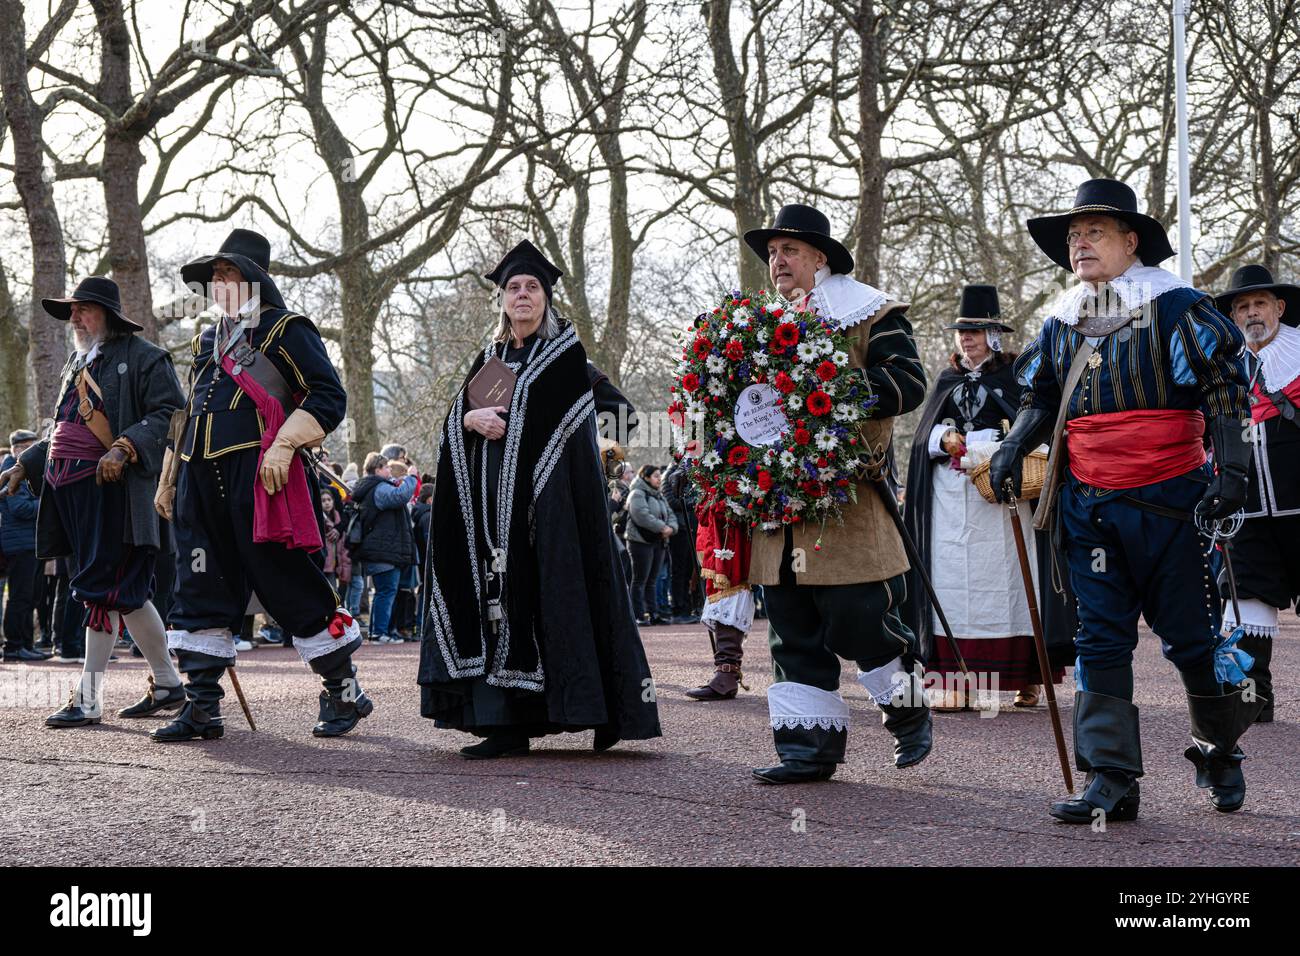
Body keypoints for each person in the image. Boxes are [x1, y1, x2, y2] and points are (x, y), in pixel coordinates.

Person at [990, 178, 1259, 821]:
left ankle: (1219, 749)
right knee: (1100, 640)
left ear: (1131, 242)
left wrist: (1234, 474)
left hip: (1174, 502)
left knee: (1192, 641)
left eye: (1095, 233)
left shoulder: (1177, 308)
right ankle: (1111, 777)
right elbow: (1041, 399)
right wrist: (1010, 448)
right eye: (1074, 236)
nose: (1079, 245)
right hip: (1090, 504)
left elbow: (1225, 391)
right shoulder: (1062, 320)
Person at [419, 239, 660, 757]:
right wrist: (466, 418)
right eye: (513, 288)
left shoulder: (569, 361)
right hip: (488, 517)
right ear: (502, 300)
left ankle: (600, 709)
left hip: (551, 517)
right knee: (499, 607)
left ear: (547, 298)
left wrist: (593, 444)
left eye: (532, 287)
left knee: (566, 597)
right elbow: (457, 423)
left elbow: (624, 416)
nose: (522, 295)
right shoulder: (491, 359)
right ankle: (504, 724)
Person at [153, 228, 370, 741]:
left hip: (260, 477)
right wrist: (169, 477)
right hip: (199, 477)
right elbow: (188, 413)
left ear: (255, 280)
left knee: (287, 583)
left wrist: (283, 444)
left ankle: (344, 692)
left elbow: (327, 396)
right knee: (199, 584)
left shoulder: (287, 329)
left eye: (230, 274)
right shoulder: (207, 339)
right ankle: (203, 706)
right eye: (216, 276)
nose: (220, 283)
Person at [743, 203, 930, 784]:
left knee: (858, 617)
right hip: (776, 502)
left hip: (847, 494)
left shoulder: (872, 313)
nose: (778, 260)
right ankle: (807, 749)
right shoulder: (756, 327)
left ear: (821, 258)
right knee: (791, 627)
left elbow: (908, 385)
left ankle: (907, 707)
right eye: (772, 252)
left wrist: (825, 384)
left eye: (789, 250)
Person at [0, 277, 184, 725]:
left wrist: (125, 445)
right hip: (74, 497)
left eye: (83, 309)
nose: (75, 318)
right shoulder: (75, 365)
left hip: (118, 497)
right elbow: (60, 431)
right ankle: (168, 684)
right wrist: (27, 462)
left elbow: (172, 415)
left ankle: (88, 698)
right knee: (123, 593)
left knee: (104, 591)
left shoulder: (147, 358)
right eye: (72, 311)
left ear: (108, 314)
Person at [903, 285, 1071, 710]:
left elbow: (1033, 429)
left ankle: (1027, 676)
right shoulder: (945, 380)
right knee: (952, 585)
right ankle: (956, 680)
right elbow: (924, 436)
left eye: (976, 331)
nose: (968, 338)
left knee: (1012, 583)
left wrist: (988, 446)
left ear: (994, 334)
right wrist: (945, 437)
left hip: (1002, 499)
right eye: (963, 331)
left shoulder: (1016, 377)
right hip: (950, 504)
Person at [1213, 265, 1300, 723]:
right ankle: (1252, 704)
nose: (1251, 313)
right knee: (1246, 607)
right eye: (1242, 307)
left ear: (1279, 308)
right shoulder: (1222, 367)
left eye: (1259, 304)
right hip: (1245, 511)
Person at [685, 494, 753, 701]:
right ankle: (727, 672)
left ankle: (728, 672)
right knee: (727, 584)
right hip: (724, 510)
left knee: (733, 580)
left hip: (741, 505)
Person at [348, 451, 417, 644]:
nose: (389, 470)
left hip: (380, 549)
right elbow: (400, 496)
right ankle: (380, 632)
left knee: (384, 592)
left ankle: (379, 631)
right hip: (382, 550)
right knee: (386, 591)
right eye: (386, 467)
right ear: (377, 469)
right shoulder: (379, 488)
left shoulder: (371, 487)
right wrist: (412, 478)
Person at [1, 429, 49, 661]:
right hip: (19, 543)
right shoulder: (10, 470)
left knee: (29, 595)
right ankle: (14, 646)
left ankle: (25, 644)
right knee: (20, 596)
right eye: (30, 447)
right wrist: (46, 500)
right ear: (18, 448)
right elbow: (19, 508)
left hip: (27, 541)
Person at [625, 464, 677, 626]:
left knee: (652, 580)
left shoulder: (659, 495)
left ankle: (654, 614)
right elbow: (641, 515)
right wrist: (662, 527)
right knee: (639, 580)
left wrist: (671, 528)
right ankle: (639, 615)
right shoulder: (637, 493)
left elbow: (670, 515)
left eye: (659, 475)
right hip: (640, 542)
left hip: (659, 541)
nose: (659, 478)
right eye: (655, 476)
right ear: (646, 477)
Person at [661, 454, 701, 624]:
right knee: (679, 572)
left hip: (691, 528)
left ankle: (690, 606)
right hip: (680, 530)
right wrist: (696, 501)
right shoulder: (669, 475)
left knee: (691, 572)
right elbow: (672, 501)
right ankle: (679, 608)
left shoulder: (689, 474)